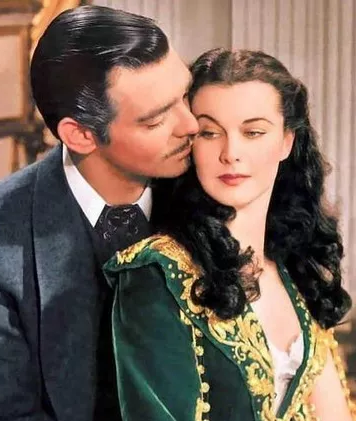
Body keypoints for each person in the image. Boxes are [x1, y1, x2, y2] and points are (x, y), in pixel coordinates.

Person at [0, 5, 198, 421]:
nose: (191, 125)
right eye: (157, 119)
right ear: (81, 135)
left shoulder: (213, 188)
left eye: (186, 96)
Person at [104, 49, 355, 421]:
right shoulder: (156, 272)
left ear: (286, 141)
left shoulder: (295, 271)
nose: (230, 153)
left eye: (253, 132)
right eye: (209, 132)